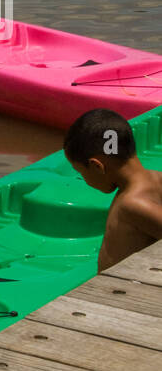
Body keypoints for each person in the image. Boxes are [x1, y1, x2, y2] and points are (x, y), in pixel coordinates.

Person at [63, 108, 162, 271]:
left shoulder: (132, 204)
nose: (84, 179)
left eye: (80, 171)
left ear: (96, 166)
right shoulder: (157, 178)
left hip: (118, 285)